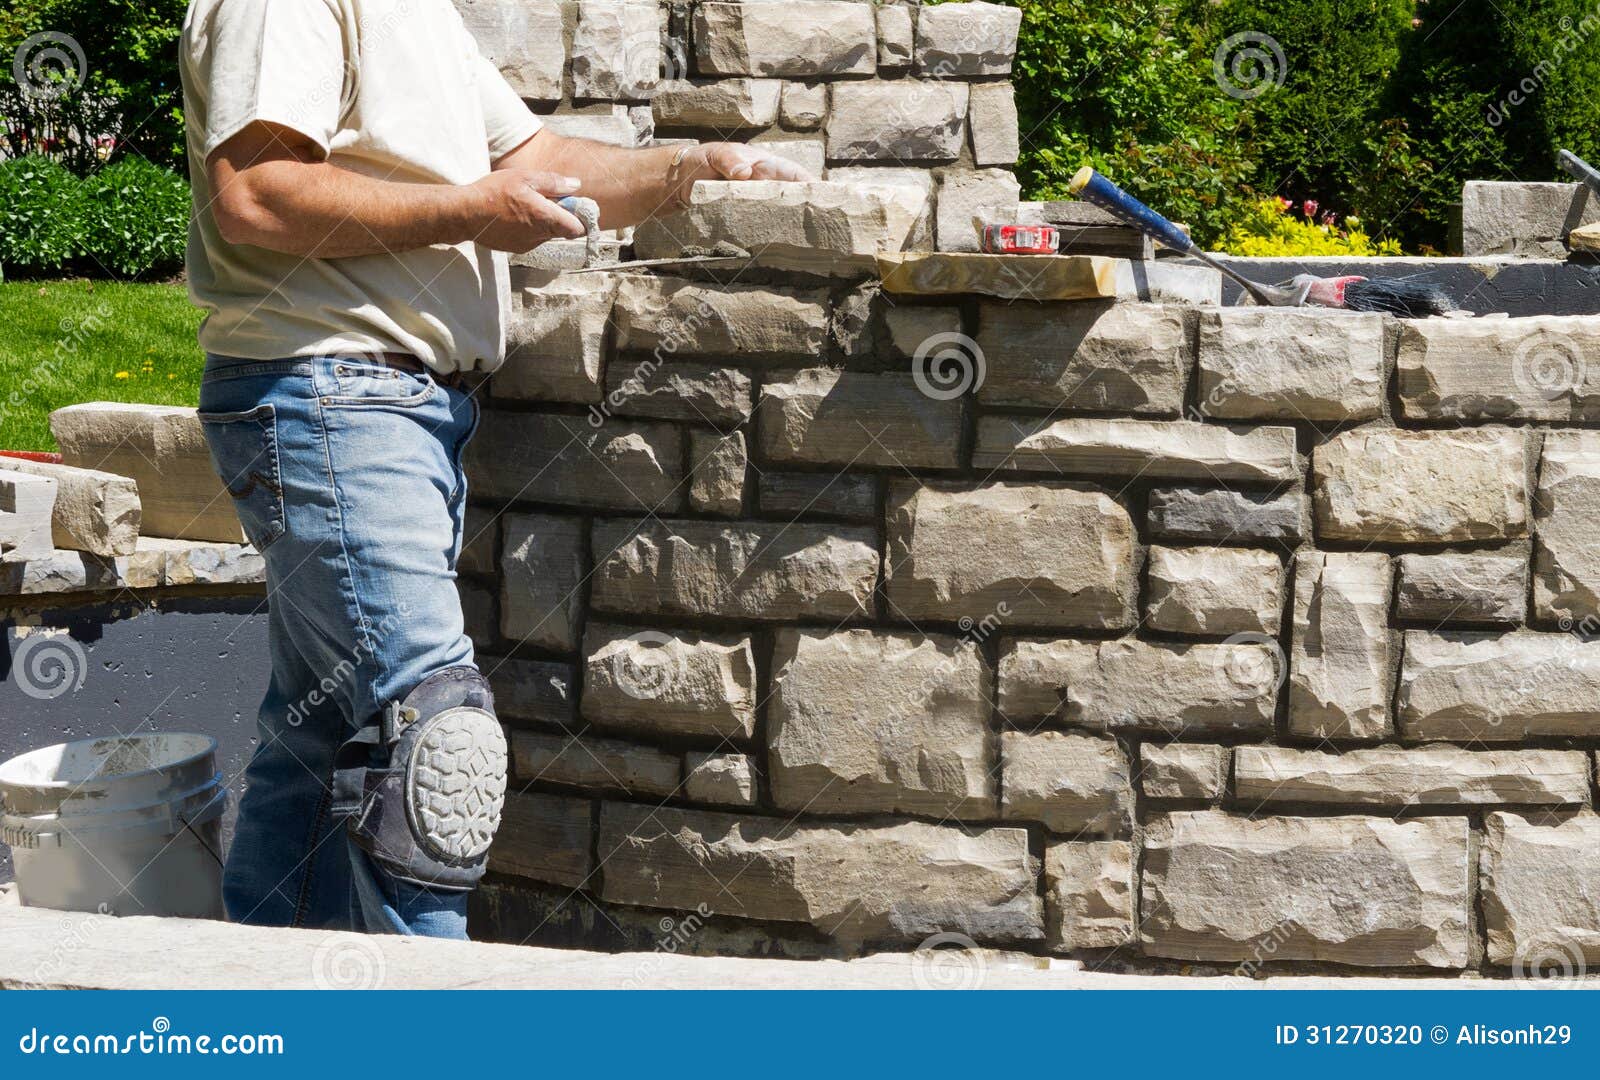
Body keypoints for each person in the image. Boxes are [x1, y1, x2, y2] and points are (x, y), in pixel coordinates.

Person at [177, 0, 807, 938]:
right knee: (434, 732)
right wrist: (467, 212)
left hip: (388, 408)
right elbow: (257, 192)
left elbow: (527, 158)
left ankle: (268, 1005)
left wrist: (690, 170)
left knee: (322, 740)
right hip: (330, 390)